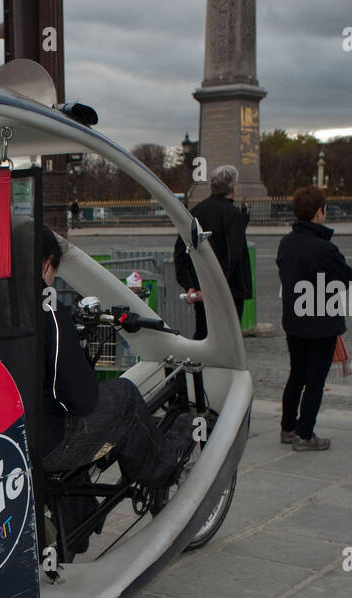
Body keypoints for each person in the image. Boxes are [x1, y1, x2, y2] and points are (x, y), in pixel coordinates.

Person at [39, 228, 190, 484]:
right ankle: (164, 468)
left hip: (7, 440)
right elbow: (81, 400)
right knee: (124, 394)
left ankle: (81, 515)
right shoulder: (49, 312)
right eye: (54, 273)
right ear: (45, 264)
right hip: (48, 444)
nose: (52, 282)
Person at [276, 186, 352, 451]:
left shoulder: (286, 242)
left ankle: (288, 427)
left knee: (296, 375)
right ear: (320, 212)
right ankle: (305, 434)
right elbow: (345, 278)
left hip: (294, 319)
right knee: (315, 380)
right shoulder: (324, 248)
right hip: (321, 322)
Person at [173, 164, 252, 340]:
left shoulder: (196, 212)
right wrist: (215, 287)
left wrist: (189, 284)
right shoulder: (233, 214)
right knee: (228, 341)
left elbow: (180, 252)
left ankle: (201, 369)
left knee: (203, 336)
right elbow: (232, 257)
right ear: (233, 187)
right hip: (228, 291)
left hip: (201, 287)